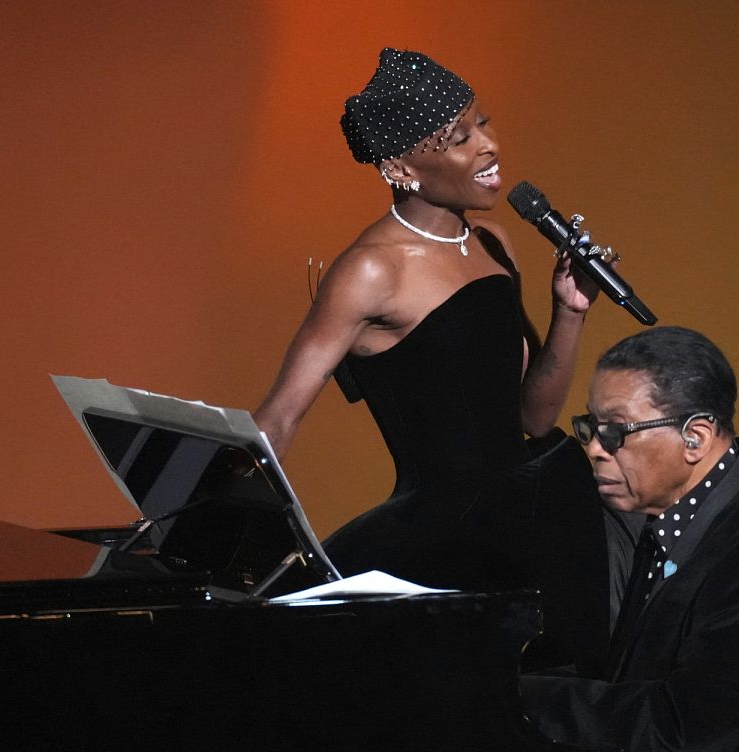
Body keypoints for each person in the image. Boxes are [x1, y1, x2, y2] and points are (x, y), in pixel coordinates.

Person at [253, 48, 608, 674]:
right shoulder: (370, 270)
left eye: (485, 123)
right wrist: (200, 516)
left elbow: (534, 416)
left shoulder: (495, 242)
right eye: (458, 137)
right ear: (399, 166)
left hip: (531, 511)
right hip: (443, 532)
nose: (488, 146)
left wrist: (570, 312)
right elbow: (278, 420)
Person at [520, 327, 739, 752]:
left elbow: (684, 724)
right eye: (590, 426)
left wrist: (516, 697)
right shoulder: (672, 513)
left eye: (616, 431)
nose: (594, 448)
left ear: (695, 437)